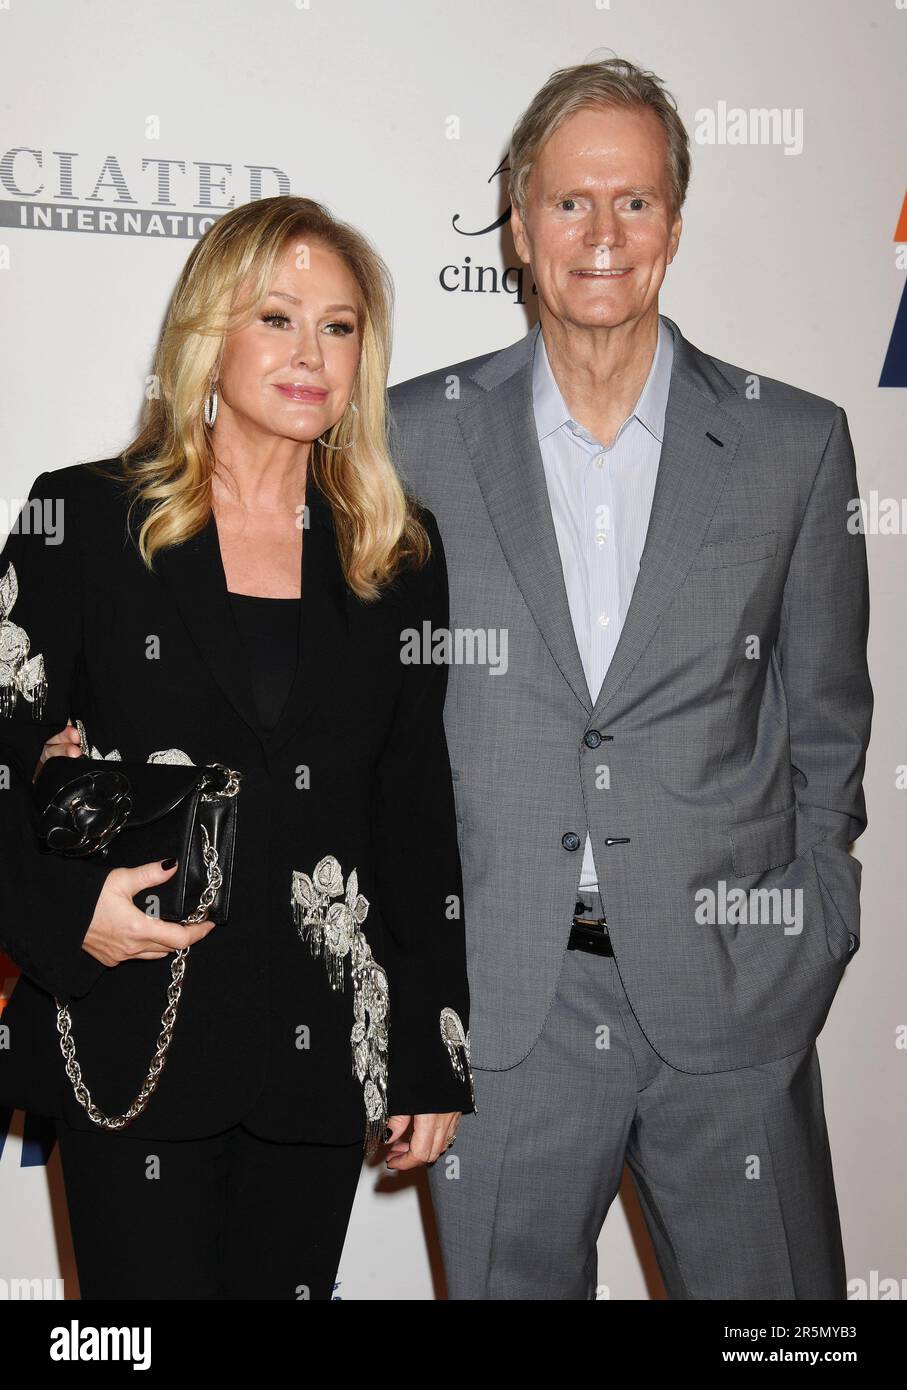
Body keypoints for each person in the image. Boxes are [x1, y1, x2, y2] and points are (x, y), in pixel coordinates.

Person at [387, 57, 872, 1299]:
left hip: (732, 1006)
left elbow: (826, 729)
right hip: (503, 1018)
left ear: (673, 223)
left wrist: (810, 935)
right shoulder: (409, 435)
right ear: (516, 222)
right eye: (568, 202)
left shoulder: (794, 440)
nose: (602, 234)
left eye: (636, 202)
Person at [0, 194, 473, 1300]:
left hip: (316, 1060)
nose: (310, 353)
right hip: (130, 1030)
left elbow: (412, 808)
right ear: (210, 335)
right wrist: (67, 918)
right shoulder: (82, 521)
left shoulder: (395, 551)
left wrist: (430, 1046)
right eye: (276, 317)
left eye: (340, 325)